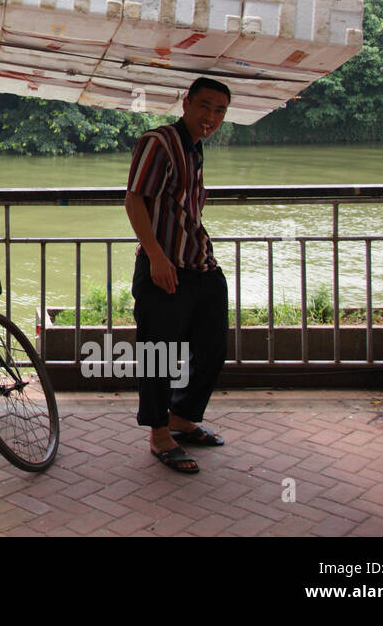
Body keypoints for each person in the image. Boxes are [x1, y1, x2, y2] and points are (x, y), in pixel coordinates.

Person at [123, 77, 231, 473]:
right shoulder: (160, 141)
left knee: (214, 347)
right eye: (205, 106)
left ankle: (183, 416)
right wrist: (156, 257)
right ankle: (159, 433)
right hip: (163, 267)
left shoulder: (195, 148)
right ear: (185, 103)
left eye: (220, 110)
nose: (211, 117)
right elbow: (134, 199)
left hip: (201, 266)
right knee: (159, 354)